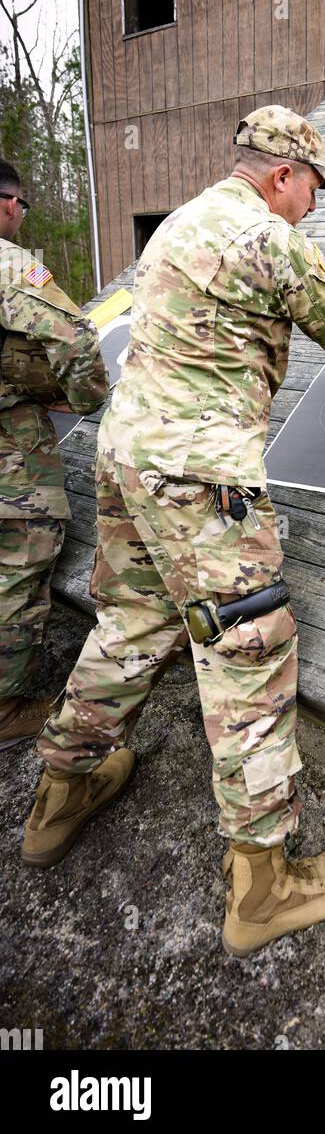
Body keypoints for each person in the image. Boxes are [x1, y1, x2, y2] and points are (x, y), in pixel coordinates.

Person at [23, 108, 325, 957]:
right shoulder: (272, 237)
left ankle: (60, 793)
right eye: (314, 188)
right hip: (200, 473)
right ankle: (264, 885)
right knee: (249, 648)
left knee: (133, 620)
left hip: (126, 458)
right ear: (283, 176)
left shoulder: (175, 228)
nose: (314, 204)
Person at [0, 159, 109, 752]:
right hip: (10, 457)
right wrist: (87, 398)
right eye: (21, 203)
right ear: (8, 202)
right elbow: (75, 335)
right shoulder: (11, 263)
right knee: (18, 567)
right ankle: (8, 706)